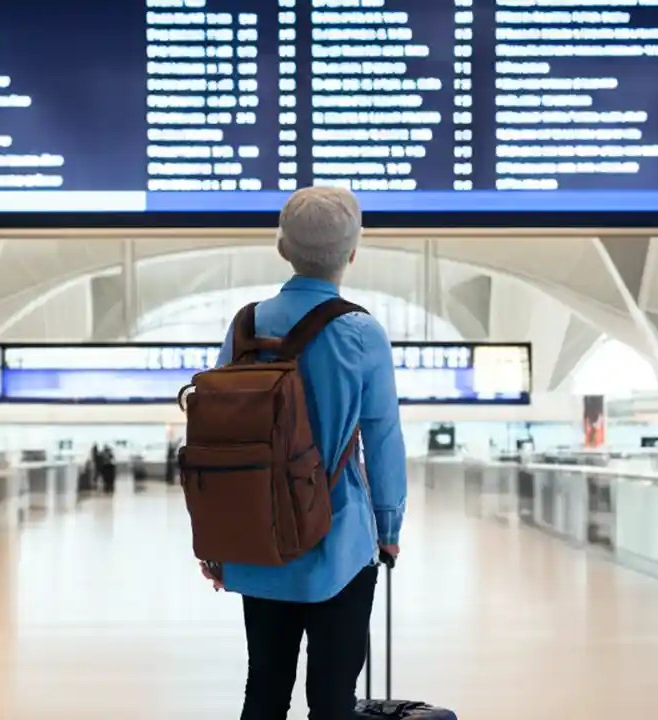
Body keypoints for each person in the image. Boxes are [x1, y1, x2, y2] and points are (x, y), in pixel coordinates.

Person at [206, 187, 408, 719]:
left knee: (265, 688)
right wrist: (388, 530)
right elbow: (383, 435)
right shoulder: (362, 332)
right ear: (353, 253)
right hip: (339, 540)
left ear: (281, 248)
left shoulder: (245, 325)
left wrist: (222, 541)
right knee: (333, 696)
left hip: (260, 535)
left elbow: (224, 435)